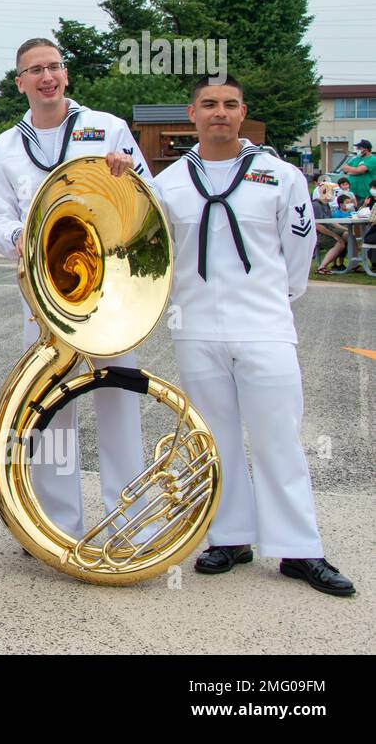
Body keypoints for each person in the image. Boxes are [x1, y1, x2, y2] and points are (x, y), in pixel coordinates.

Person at [146, 76, 353, 596]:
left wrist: (276, 299)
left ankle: (298, 548)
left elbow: (299, 250)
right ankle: (229, 536)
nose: (220, 113)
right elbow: (158, 252)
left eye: (230, 105)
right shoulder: (167, 184)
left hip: (264, 325)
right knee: (213, 441)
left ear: (244, 113)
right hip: (195, 327)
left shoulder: (280, 176)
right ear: (191, 114)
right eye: (209, 105)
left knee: (278, 439)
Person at [0, 37, 146, 540]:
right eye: (35, 70)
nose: (46, 77)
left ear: (66, 74)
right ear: (20, 83)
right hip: (44, 291)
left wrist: (129, 178)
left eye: (53, 67)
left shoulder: (109, 128)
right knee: (52, 411)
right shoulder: (5, 146)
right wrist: (26, 241)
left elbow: (149, 200)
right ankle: (59, 528)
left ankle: (132, 527)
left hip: (109, 288)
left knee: (120, 404)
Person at [318, 194, 357, 274]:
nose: (349, 204)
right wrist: (343, 231)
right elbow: (332, 224)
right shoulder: (334, 212)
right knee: (345, 238)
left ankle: (353, 263)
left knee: (348, 237)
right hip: (331, 232)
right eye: (347, 202)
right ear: (341, 204)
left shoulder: (350, 212)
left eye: (350, 202)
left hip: (339, 231)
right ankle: (334, 264)